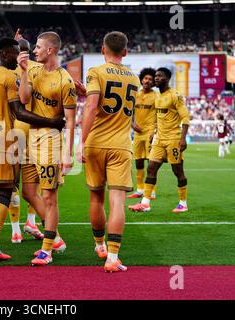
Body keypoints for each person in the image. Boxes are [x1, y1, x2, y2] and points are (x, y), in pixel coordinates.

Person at [0, 37, 65, 263]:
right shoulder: (11, 76)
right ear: (6, 54)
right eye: (17, 53)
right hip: (6, 136)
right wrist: (52, 122)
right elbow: (20, 111)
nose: (20, 56)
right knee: (6, 191)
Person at [75, 31, 140, 273]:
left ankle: (100, 245)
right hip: (121, 146)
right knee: (117, 202)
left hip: (95, 143)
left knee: (96, 198)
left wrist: (80, 142)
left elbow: (93, 105)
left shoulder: (96, 72)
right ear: (125, 51)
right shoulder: (133, 79)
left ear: (103, 49)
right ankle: (112, 258)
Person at [18, 31, 77, 266]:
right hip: (30, 139)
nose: (35, 51)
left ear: (50, 50)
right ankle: (53, 241)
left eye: (39, 47)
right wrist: (23, 71)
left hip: (51, 142)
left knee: (49, 197)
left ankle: (47, 249)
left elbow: (71, 121)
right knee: (27, 192)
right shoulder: (32, 70)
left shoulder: (65, 81)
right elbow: (23, 99)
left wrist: (68, 153)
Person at [128, 67, 190, 214]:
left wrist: (183, 138)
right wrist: (154, 131)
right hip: (159, 140)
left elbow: (185, 118)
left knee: (178, 171)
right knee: (151, 168)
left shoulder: (175, 95)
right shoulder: (157, 96)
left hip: (173, 139)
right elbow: (157, 116)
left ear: (167, 79)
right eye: (155, 76)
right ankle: (145, 203)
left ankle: (183, 203)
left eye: (159, 76)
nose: (156, 78)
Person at [11, 30, 45, 244]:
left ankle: (15, 231)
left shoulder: (5, 70)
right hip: (33, 128)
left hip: (13, 129)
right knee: (35, 180)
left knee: (12, 182)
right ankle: (31, 221)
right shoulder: (38, 69)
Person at [127, 68, 157, 200]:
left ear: (153, 82)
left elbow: (159, 115)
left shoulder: (156, 96)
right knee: (138, 162)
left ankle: (152, 191)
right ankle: (140, 190)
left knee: (152, 164)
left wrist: (155, 131)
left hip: (150, 133)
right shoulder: (135, 95)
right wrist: (132, 124)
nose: (147, 81)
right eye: (145, 78)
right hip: (138, 134)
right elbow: (129, 112)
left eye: (150, 79)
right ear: (142, 80)